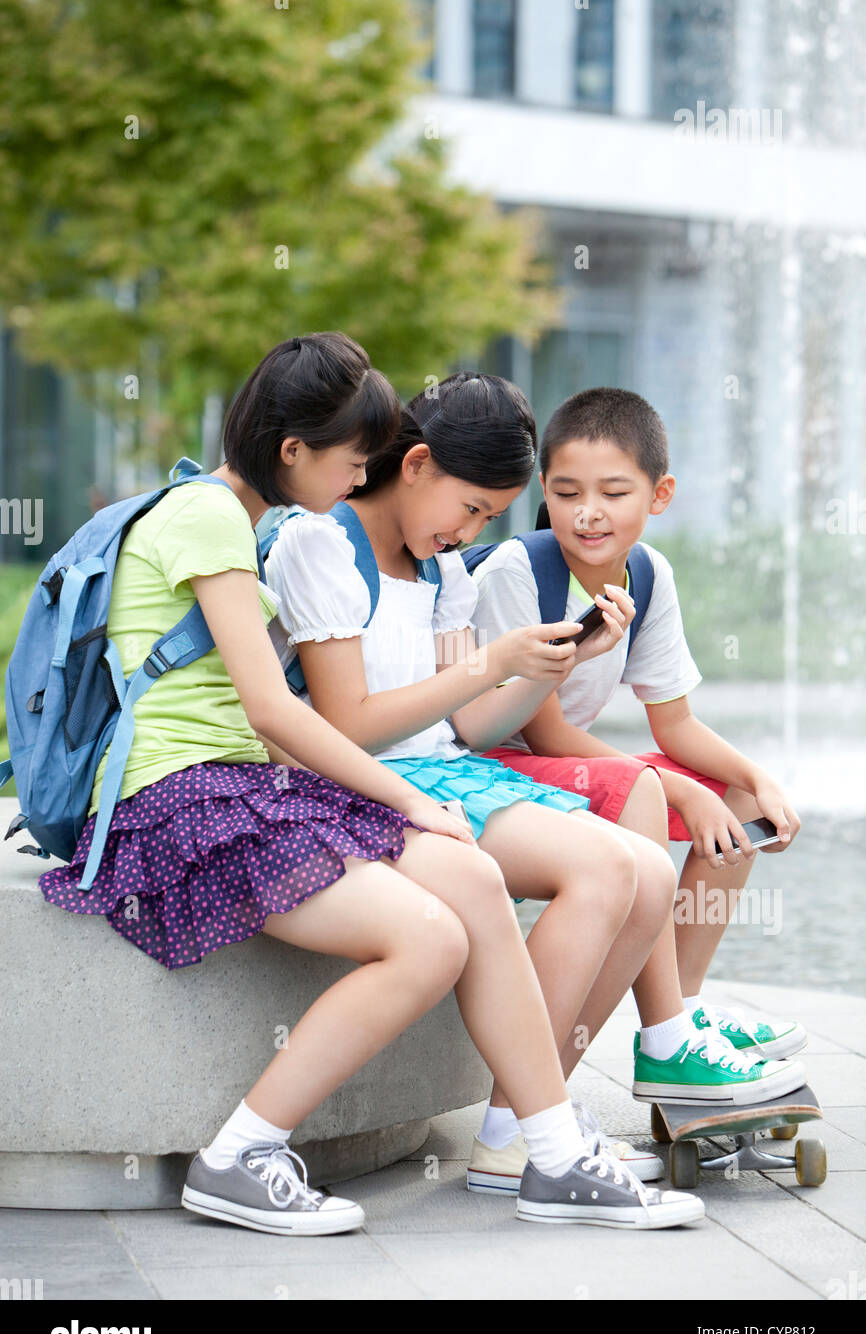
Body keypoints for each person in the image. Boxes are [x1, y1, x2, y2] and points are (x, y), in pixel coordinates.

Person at [36, 337, 704, 1234]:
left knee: (468, 882)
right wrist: (408, 798)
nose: (359, 479)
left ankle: (548, 1153)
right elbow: (277, 713)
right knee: (432, 937)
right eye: (355, 461)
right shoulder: (214, 520)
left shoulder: (240, 522)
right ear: (294, 452)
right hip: (180, 800)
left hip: (236, 788)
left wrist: (494, 710)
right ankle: (239, 1155)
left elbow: (290, 720)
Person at [264, 371, 805, 1201]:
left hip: (442, 769)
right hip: (359, 782)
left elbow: (468, 727)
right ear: (414, 466)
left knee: (646, 868)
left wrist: (556, 663)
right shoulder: (321, 546)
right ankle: (533, 1128)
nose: (472, 530)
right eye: (473, 508)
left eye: (488, 515)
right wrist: (493, 662)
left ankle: (523, 1125)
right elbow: (345, 724)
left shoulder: (442, 572)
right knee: (606, 866)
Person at [471, 386, 806, 1070]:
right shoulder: (520, 571)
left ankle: (683, 1008)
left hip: (561, 770)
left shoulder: (648, 574)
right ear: (545, 490)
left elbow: (675, 723)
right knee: (649, 790)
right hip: (493, 768)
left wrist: (755, 779)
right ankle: (666, 1039)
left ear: (660, 494)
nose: (588, 513)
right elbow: (545, 735)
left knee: (731, 798)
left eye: (614, 493)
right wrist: (676, 792)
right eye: (566, 493)